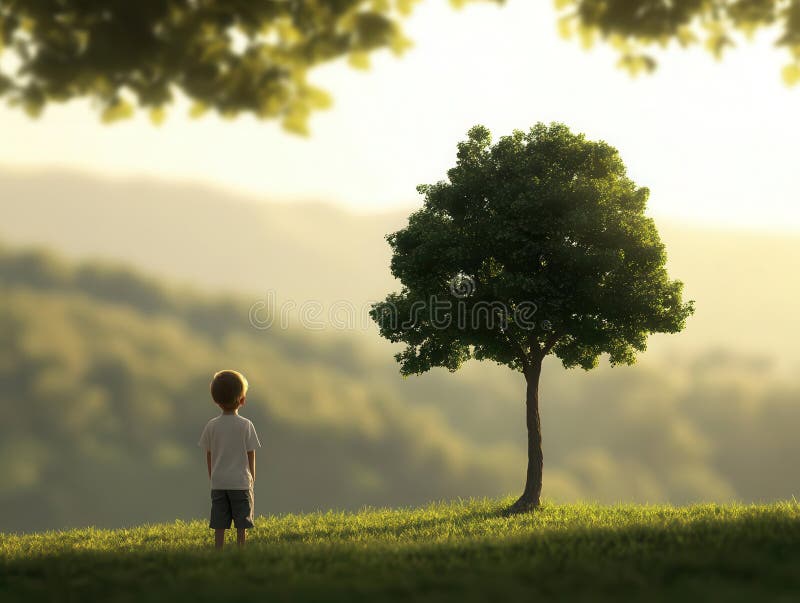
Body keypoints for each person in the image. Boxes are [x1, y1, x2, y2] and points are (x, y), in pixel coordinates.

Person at [198, 369, 261, 550]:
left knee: (220, 519)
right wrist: (252, 476)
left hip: (219, 482)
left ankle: (219, 548)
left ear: (215, 400)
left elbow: (209, 453)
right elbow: (251, 452)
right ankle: (241, 547)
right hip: (240, 482)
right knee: (242, 520)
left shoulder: (211, 426)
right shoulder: (246, 425)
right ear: (242, 400)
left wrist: (213, 475)